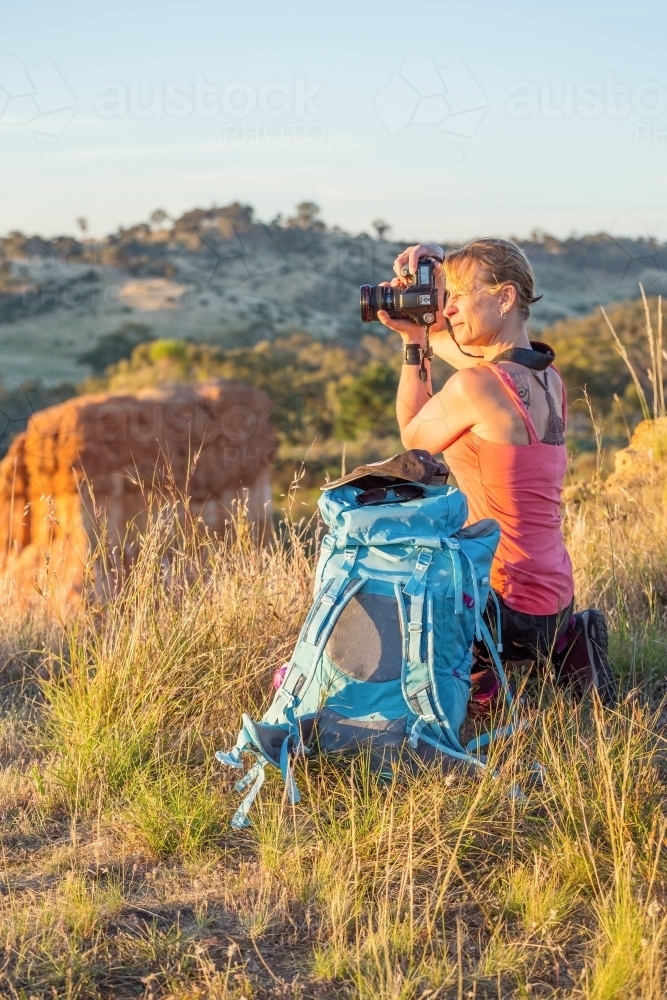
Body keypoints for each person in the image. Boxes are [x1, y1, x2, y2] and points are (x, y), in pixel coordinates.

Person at [377, 237, 616, 705]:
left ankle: (481, 677)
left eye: (459, 298)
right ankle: (565, 645)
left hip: (503, 606)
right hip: (554, 600)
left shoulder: (477, 385)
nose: (449, 311)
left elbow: (412, 434)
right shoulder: (547, 379)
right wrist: (427, 307)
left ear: (505, 297)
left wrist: (413, 342)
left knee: (383, 586)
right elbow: (468, 354)